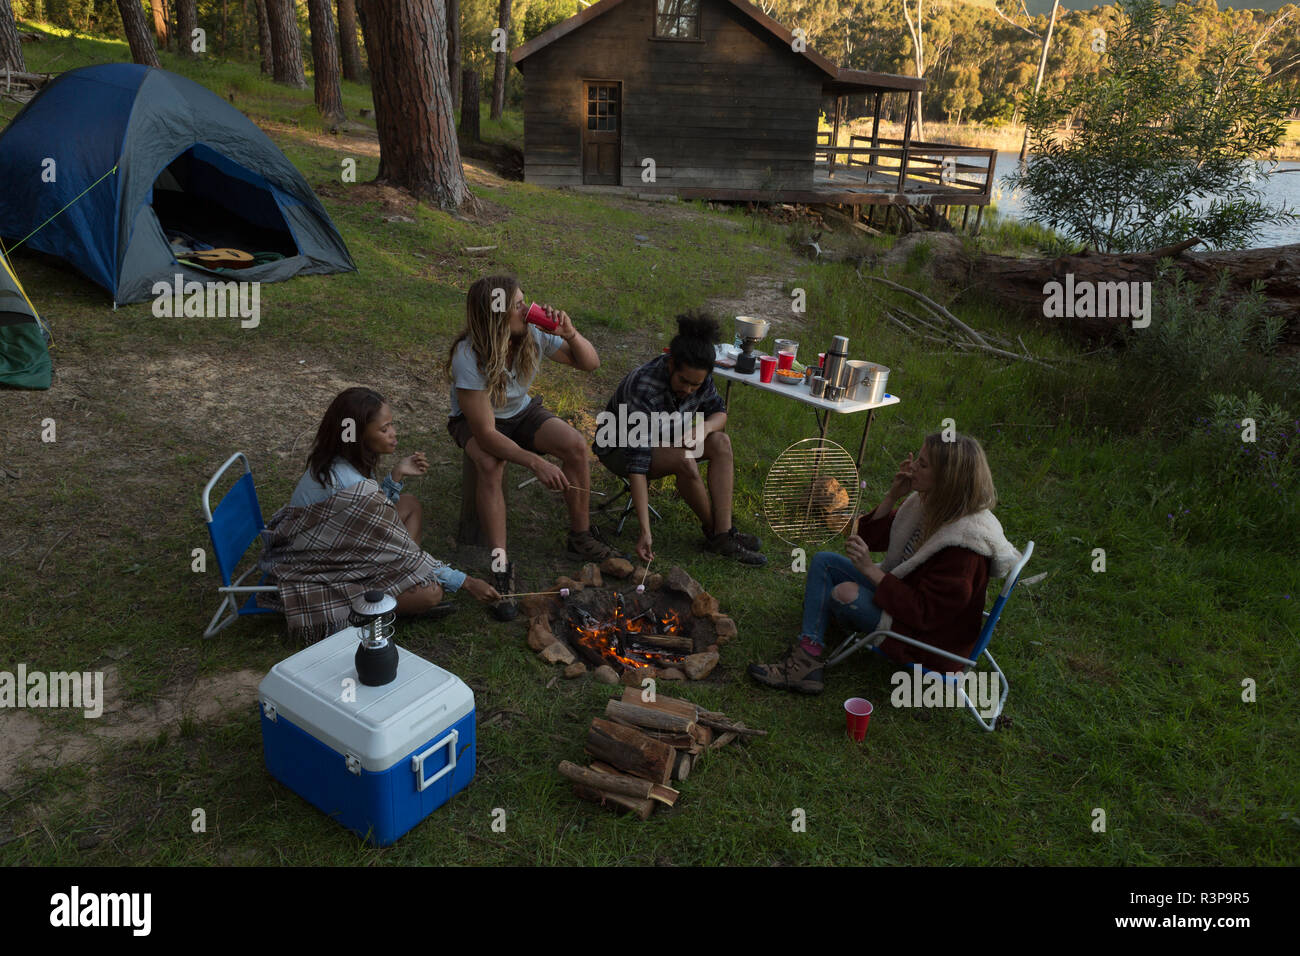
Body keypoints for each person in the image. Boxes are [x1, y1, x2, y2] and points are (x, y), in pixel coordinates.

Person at [749, 432, 1020, 694]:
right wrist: (893, 496)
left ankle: (804, 664)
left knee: (844, 594)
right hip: (904, 596)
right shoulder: (929, 504)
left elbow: (924, 614)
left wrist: (868, 570)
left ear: (947, 479)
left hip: (930, 640)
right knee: (824, 562)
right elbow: (870, 536)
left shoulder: (965, 548)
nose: (913, 467)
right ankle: (808, 655)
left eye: (923, 465)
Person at [258, 387, 499, 644]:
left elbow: (375, 513)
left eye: (391, 425)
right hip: (315, 567)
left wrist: (395, 476)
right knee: (430, 595)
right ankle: (376, 608)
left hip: (333, 547)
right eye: (384, 430)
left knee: (409, 505)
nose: (393, 434)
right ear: (359, 436)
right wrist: (468, 583)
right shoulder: (350, 483)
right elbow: (385, 526)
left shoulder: (340, 457)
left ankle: (404, 578)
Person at [445, 274, 619, 620]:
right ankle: (500, 566)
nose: (528, 310)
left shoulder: (533, 333)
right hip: (478, 422)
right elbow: (486, 433)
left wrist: (569, 333)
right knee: (491, 465)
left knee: (574, 445)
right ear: (496, 315)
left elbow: (590, 363)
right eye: (518, 306)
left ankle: (580, 535)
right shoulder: (469, 356)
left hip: (520, 411)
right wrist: (536, 464)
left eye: (525, 301)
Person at [593, 311, 765, 566]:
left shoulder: (700, 378)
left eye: (695, 386)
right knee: (685, 460)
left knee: (721, 442)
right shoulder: (645, 387)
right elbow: (637, 464)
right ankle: (718, 535)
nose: (688, 390)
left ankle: (725, 532)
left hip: (664, 441)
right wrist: (645, 530)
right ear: (671, 364)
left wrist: (704, 428)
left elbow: (719, 413)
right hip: (618, 450)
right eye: (683, 381)